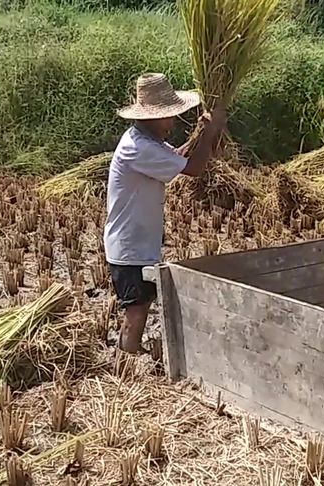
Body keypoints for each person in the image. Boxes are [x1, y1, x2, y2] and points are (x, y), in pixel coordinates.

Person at [104, 72, 226, 354]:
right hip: (129, 246)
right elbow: (193, 169)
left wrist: (199, 133)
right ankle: (127, 358)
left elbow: (178, 158)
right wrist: (209, 133)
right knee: (136, 310)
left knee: (142, 304)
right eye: (168, 116)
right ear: (151, 117)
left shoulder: (149, 142)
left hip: (139, 241)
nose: (172, 122)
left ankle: (130, 353)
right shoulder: (139, 148)